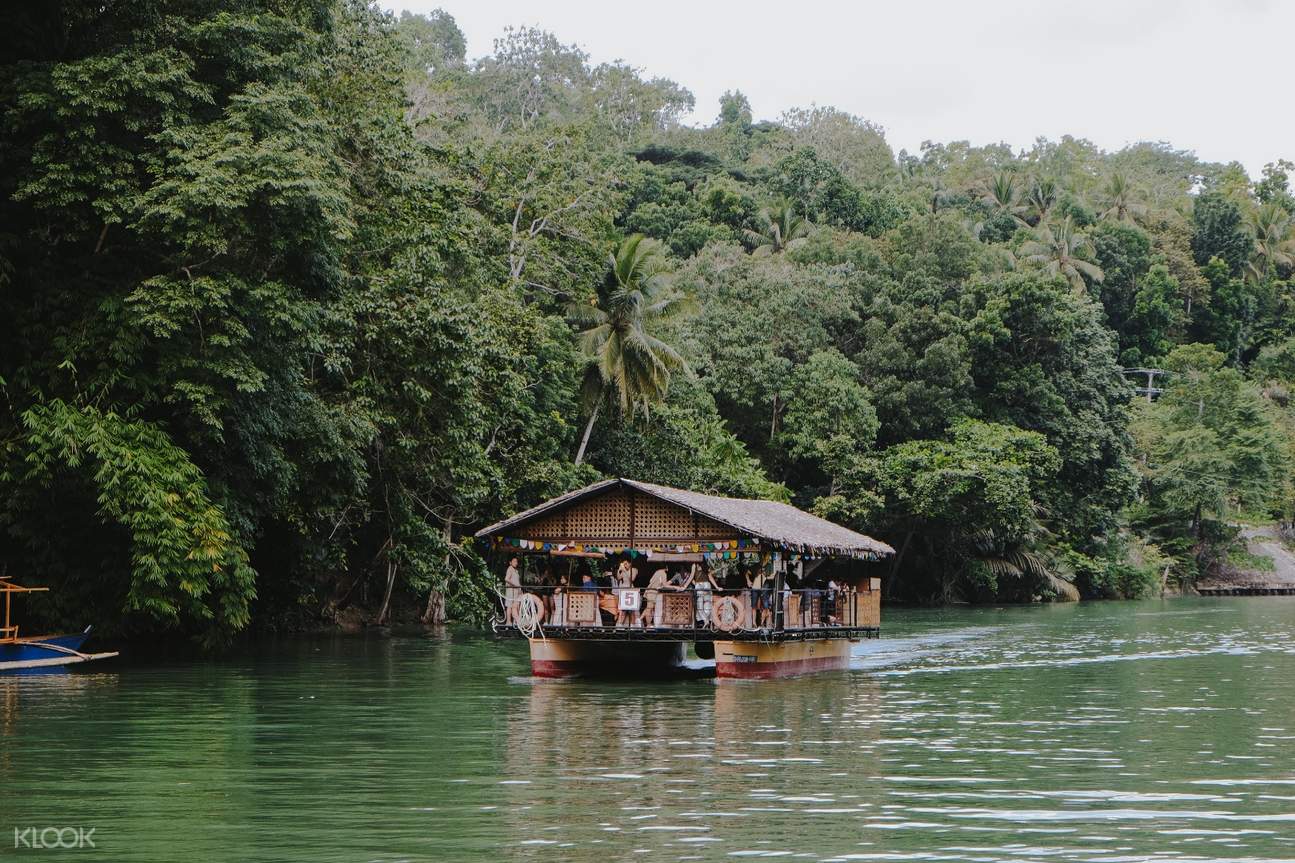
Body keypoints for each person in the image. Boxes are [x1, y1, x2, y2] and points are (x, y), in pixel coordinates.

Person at [614, 560, 637, 628]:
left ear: (630, 563)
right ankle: (620, 625)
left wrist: (624, 570)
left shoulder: (634, 570)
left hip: (630, 592)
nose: (625, 565)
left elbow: (632, 579)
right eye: (624, 564)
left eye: (626, 563)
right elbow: (618, 577)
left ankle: (633, 625)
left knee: (632, 610)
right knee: (622, 609)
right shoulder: (623, 570)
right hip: (623, 591)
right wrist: (619, 570)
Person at [503, 557, 522, 624]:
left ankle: (515, 621)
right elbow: (506, 579)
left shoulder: (516, 570)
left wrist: (519, 588)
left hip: (517, 591)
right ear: (510, 562)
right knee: (509, 605)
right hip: (511, 590)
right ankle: (508, 621)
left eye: (516, 561)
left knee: (516, 605)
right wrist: (514, 585)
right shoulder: (510, 569)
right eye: (514, 561)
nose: (516, 563)